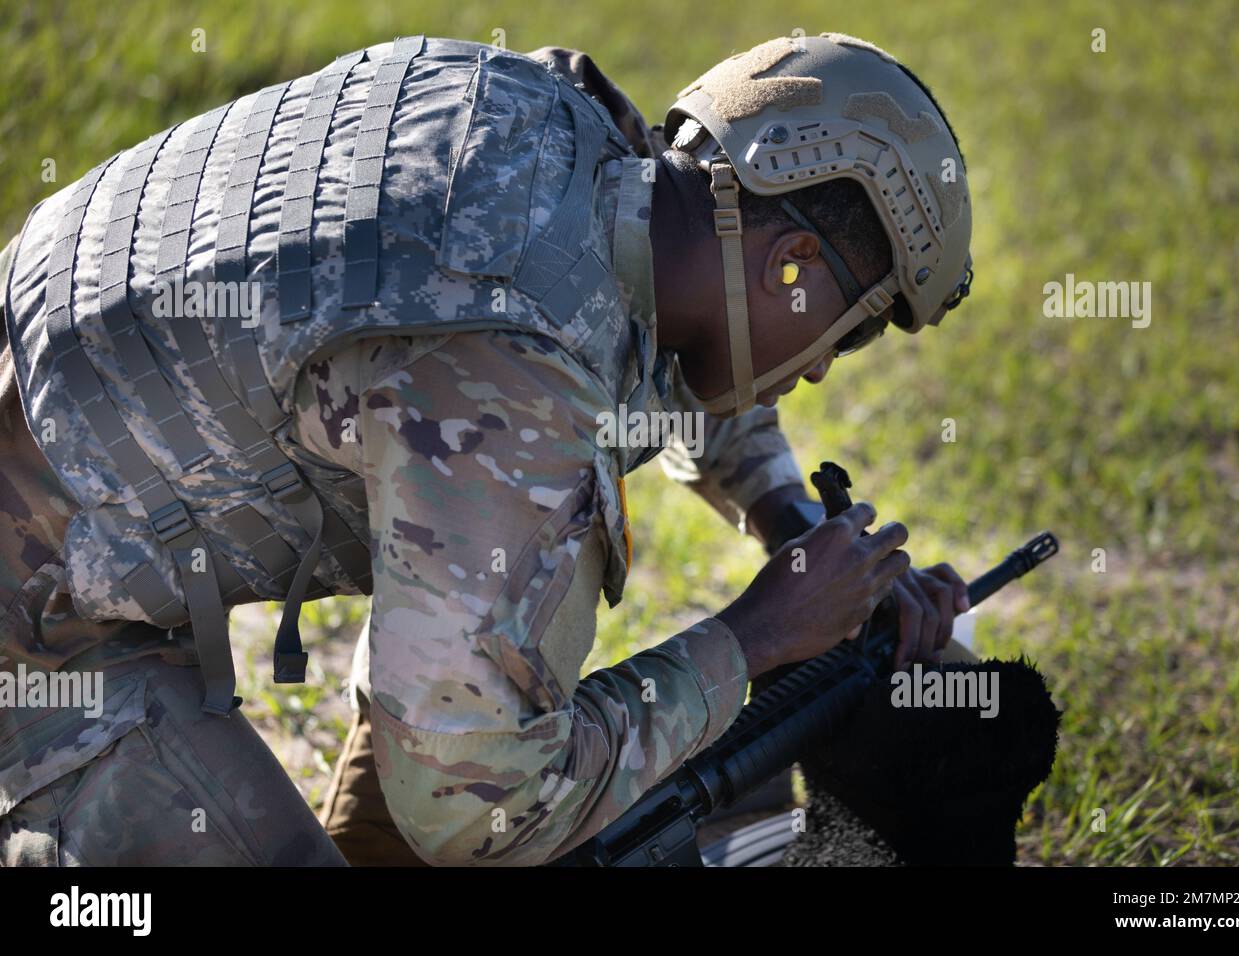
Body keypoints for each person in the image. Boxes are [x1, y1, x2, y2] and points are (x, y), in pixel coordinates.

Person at [0, 32, 973, 866]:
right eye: (848, 333)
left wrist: (789, 524)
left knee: (481, 624)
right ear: (792, 265)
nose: (816, 374)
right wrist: (759, 635)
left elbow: (662, 343)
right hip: (37, 626)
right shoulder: (508, 378)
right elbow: (482, 806)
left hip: (49, 438)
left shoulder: (563, 132)